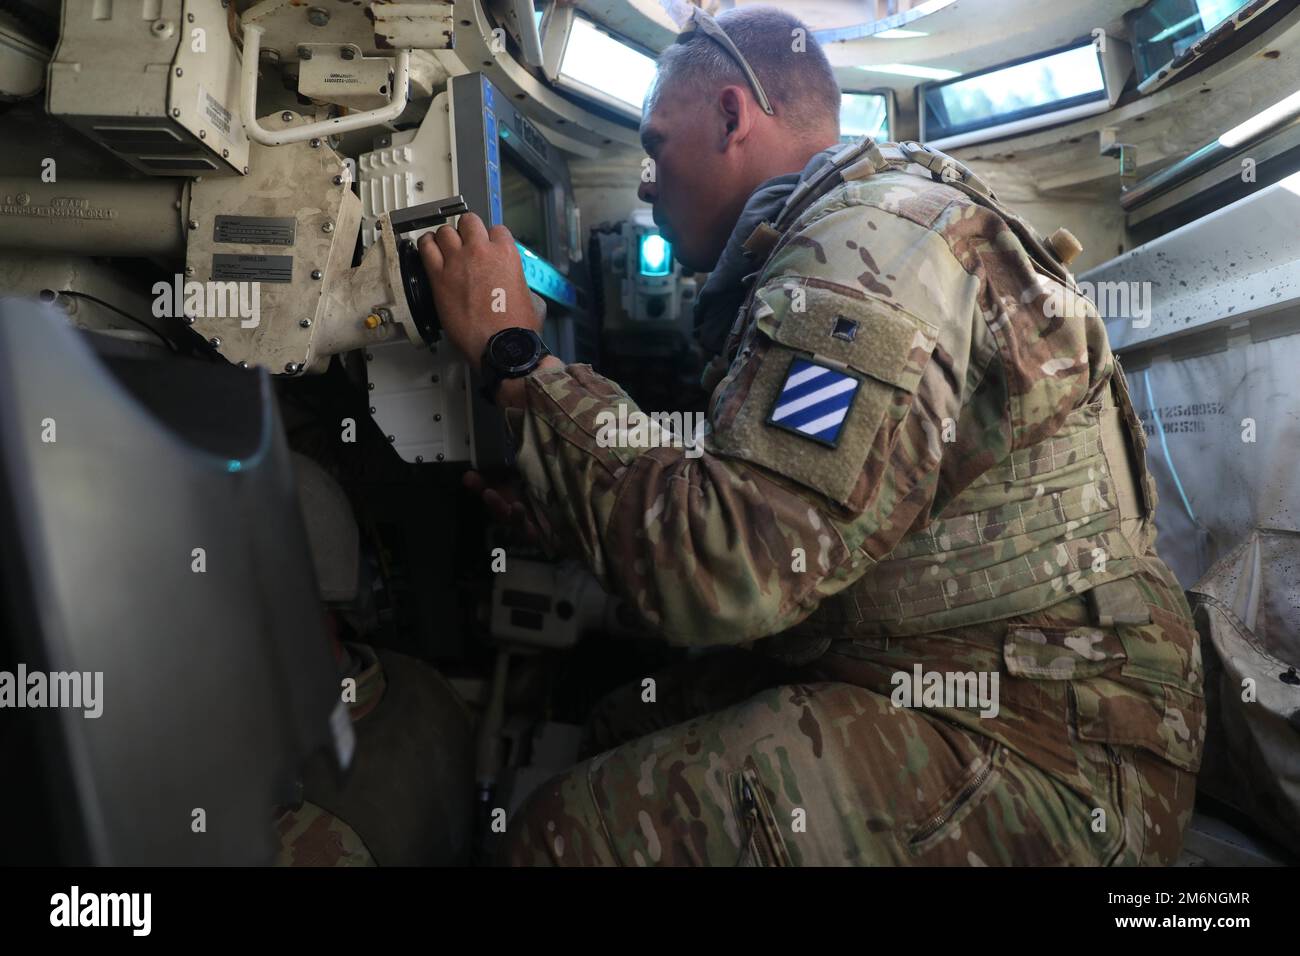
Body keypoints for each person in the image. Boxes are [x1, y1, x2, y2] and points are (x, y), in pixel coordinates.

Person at [417, 6, 1204, 866]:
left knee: (562, 838)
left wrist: (513, 356)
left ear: (730, 117)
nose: (645, 183)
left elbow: (732, 571)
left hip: (1052, 747)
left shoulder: (869, 249)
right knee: (615, 716)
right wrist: (570, 513)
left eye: (656, 146)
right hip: (948, 667)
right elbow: (780, 521)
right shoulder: (843, 231)